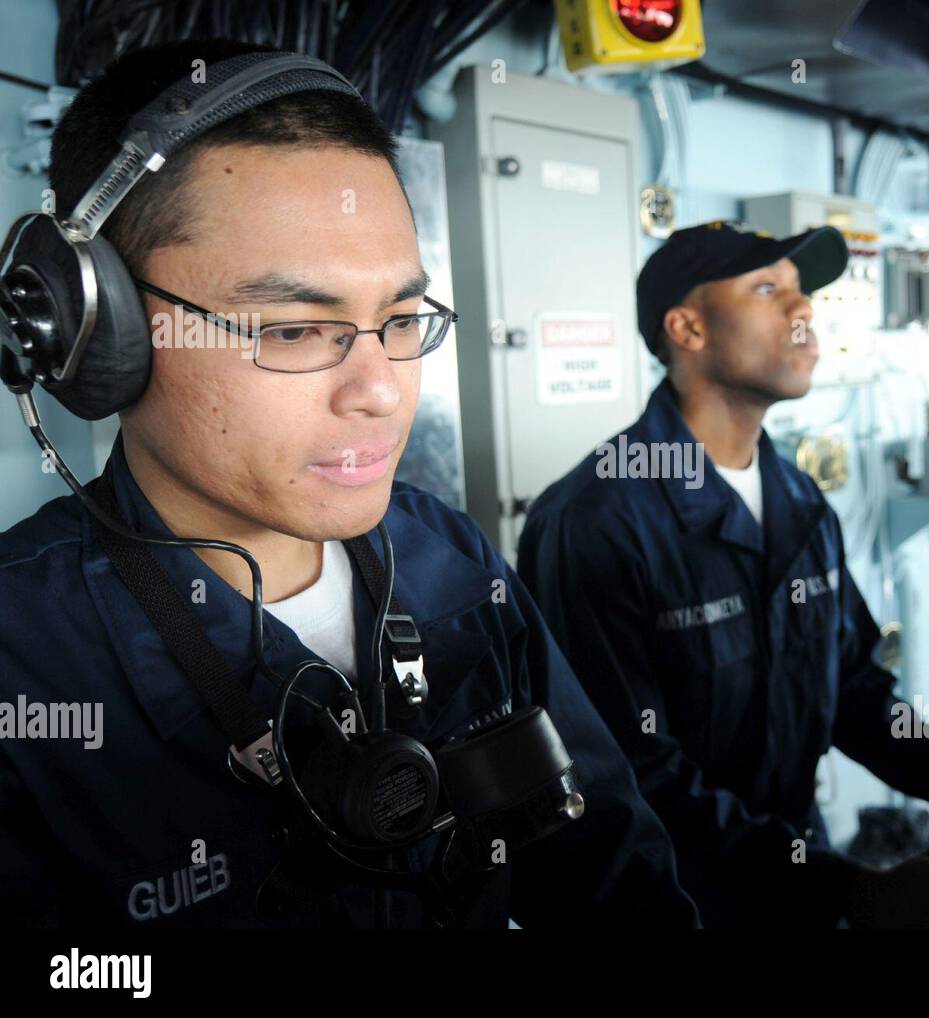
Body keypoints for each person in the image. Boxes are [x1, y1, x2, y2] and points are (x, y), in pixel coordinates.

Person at [0, 39, 698, 929]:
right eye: (293, 329)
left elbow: (613, 880)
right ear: (98, 334)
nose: (379, 391)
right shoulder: (27, 658)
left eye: (401, 319)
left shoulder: (448, 556)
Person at [517, 221, 929, 927]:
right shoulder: (596, 522)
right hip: (670, 901)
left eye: (802, 291)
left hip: (792, 873)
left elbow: (853, 692)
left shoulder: (799, 503)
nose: (804, 310)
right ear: (687, 328)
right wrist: (851, 890)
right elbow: (627, 777)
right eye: (767, 289)